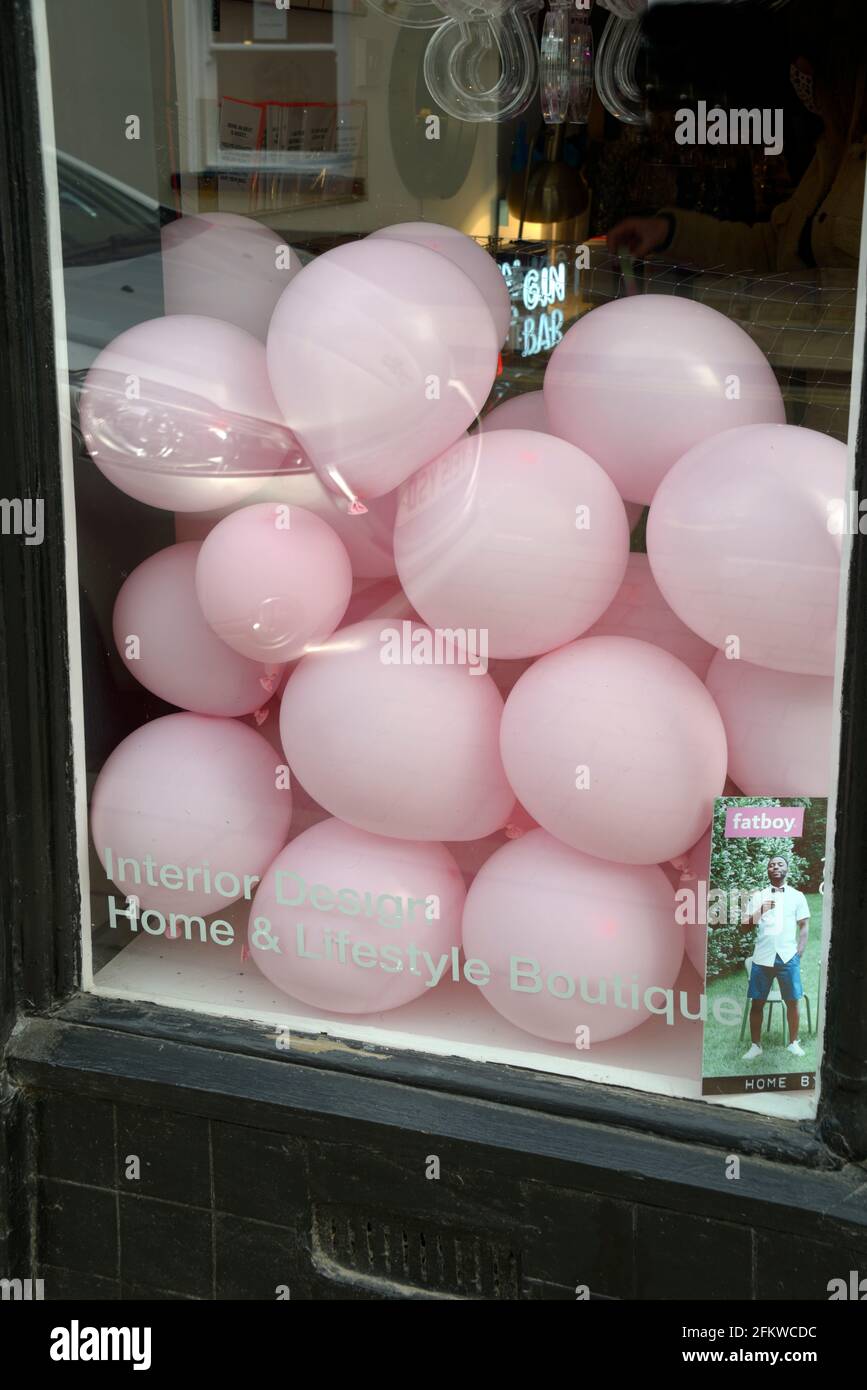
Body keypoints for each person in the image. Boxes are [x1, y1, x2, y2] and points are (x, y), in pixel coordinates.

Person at [607, 0, 866, 274]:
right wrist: (666, 232)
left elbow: (834, 300)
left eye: (809, 67)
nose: (800, 76)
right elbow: (773, 250)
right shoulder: (834, 155)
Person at [740, 855, 810, 1063]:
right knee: (757, 1002)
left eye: (780, 864)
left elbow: (804, 925)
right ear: (768, 871)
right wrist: (762, 909)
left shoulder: (797, 896)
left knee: (792, 1000)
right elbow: (744, 926)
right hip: (763, 957)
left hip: (788, 956)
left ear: (787, 869)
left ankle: (793, 1042)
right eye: (771, 865)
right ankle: (755, 1046)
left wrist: (800, 950)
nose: (775, 867)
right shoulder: (759, 896)